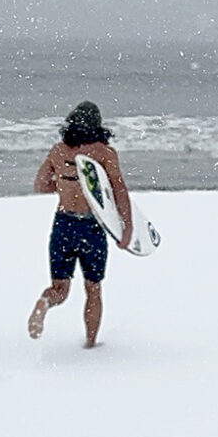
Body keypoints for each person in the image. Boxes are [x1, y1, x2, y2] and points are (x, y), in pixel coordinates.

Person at [27, 101, 132, 348]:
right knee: (93, 289)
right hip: (91, 227)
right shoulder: (105, 154)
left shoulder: (58, 152)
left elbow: (41, 185)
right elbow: (118, 189)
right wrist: (126, 228)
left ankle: (44, 303)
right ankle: (90, 343)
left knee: (60, 288)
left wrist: (65, 185)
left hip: (63, 224)